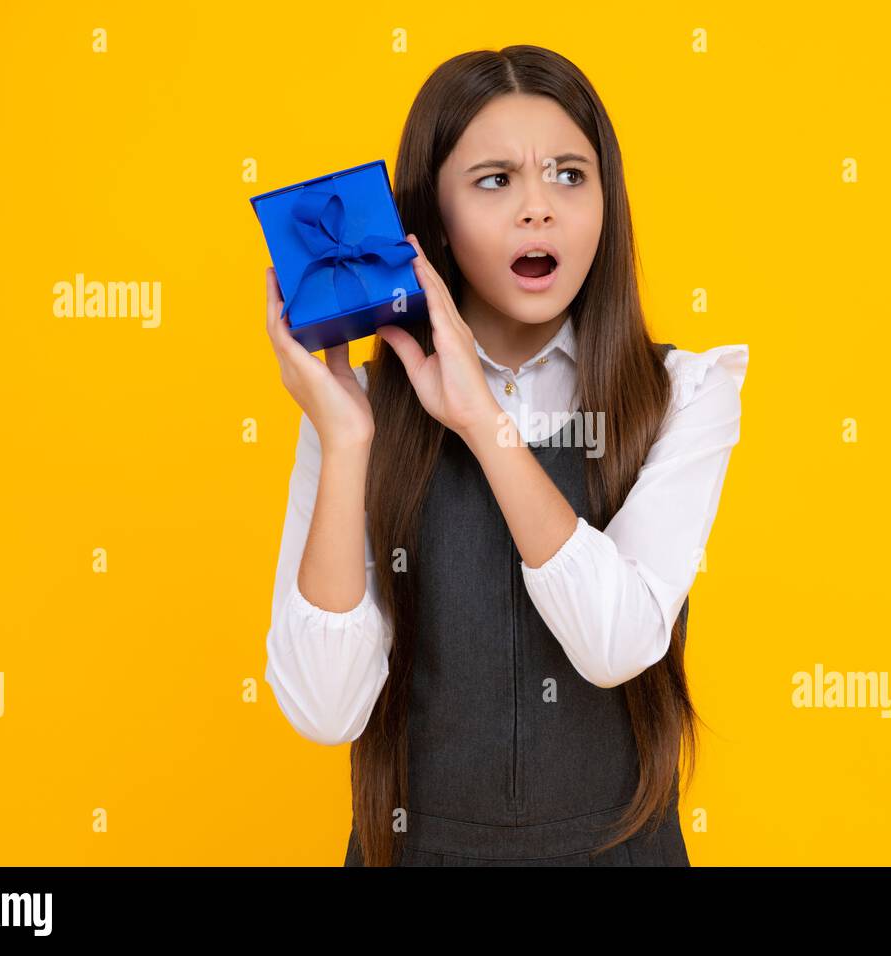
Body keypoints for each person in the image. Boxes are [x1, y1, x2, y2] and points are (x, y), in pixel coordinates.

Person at [262, 44, 748, 866]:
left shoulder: (685, 394)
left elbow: (616, 643)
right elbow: (325, 709)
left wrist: (484, 424)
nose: (539, 210)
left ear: (607, 202)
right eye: (495, 181)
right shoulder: (356, 415)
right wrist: (346, 441)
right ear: (432, 222)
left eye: (569, 174)